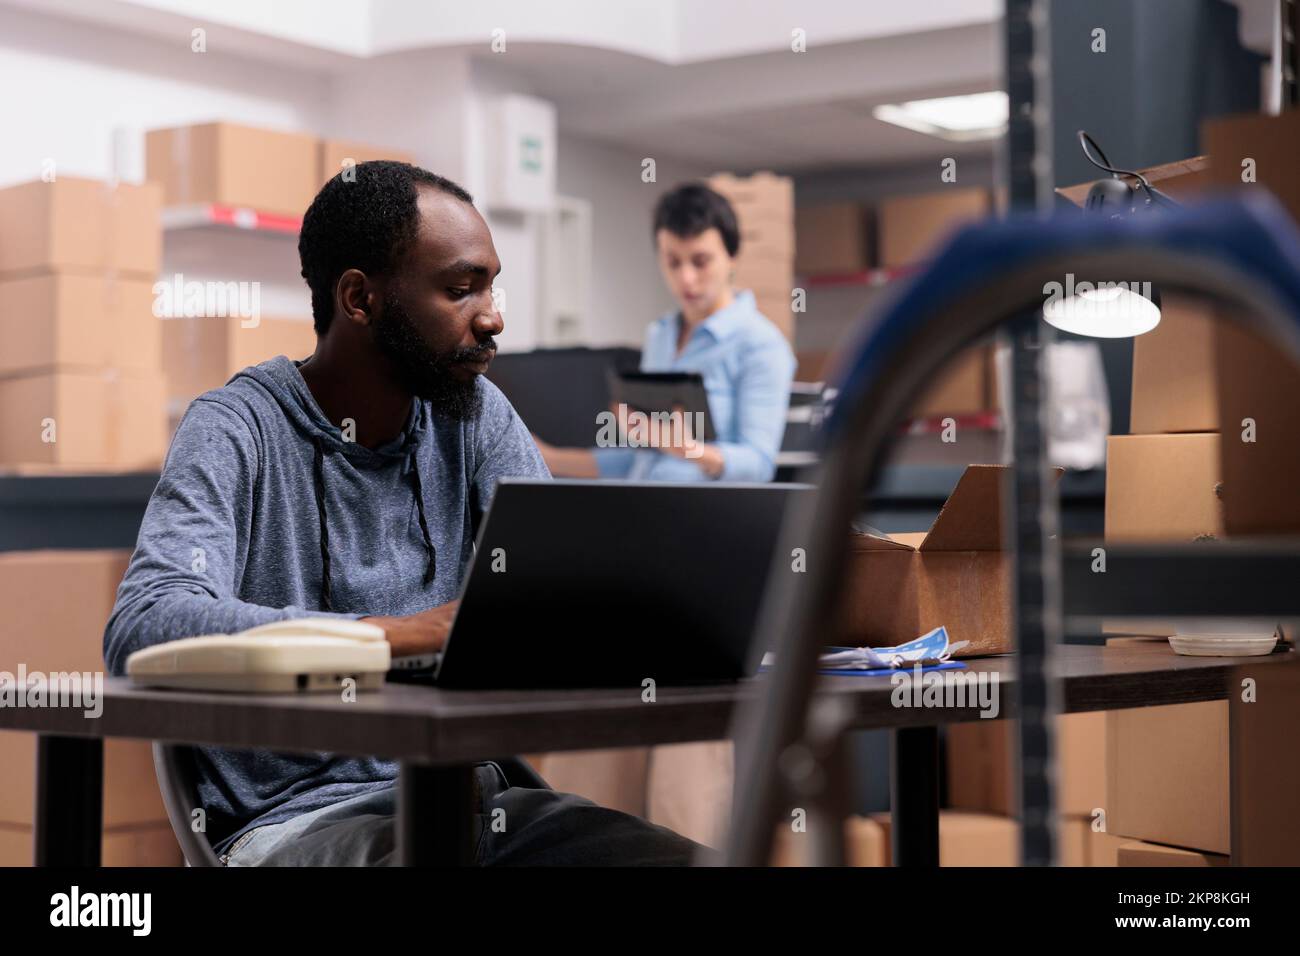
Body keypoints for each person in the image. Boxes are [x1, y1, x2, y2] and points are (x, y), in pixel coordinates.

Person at [104, 161, 703, 866]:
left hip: (480, 805)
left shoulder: (474, 415)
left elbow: (561, 592)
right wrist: (393, 634)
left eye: (491, 285)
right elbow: (144, 623)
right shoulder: (236, 428)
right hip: (302, 824)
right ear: (360, 298)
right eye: (460, 289)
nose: (493, 315)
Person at [535, 182, 796, 482]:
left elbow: (758, 465)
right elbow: (641, 460)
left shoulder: (761, 345)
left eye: (701, 262)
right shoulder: (660, 335)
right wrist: (550, 458)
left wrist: (689, 450)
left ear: (732, 256)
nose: (686, 278)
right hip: (643, 505)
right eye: (673, 262)